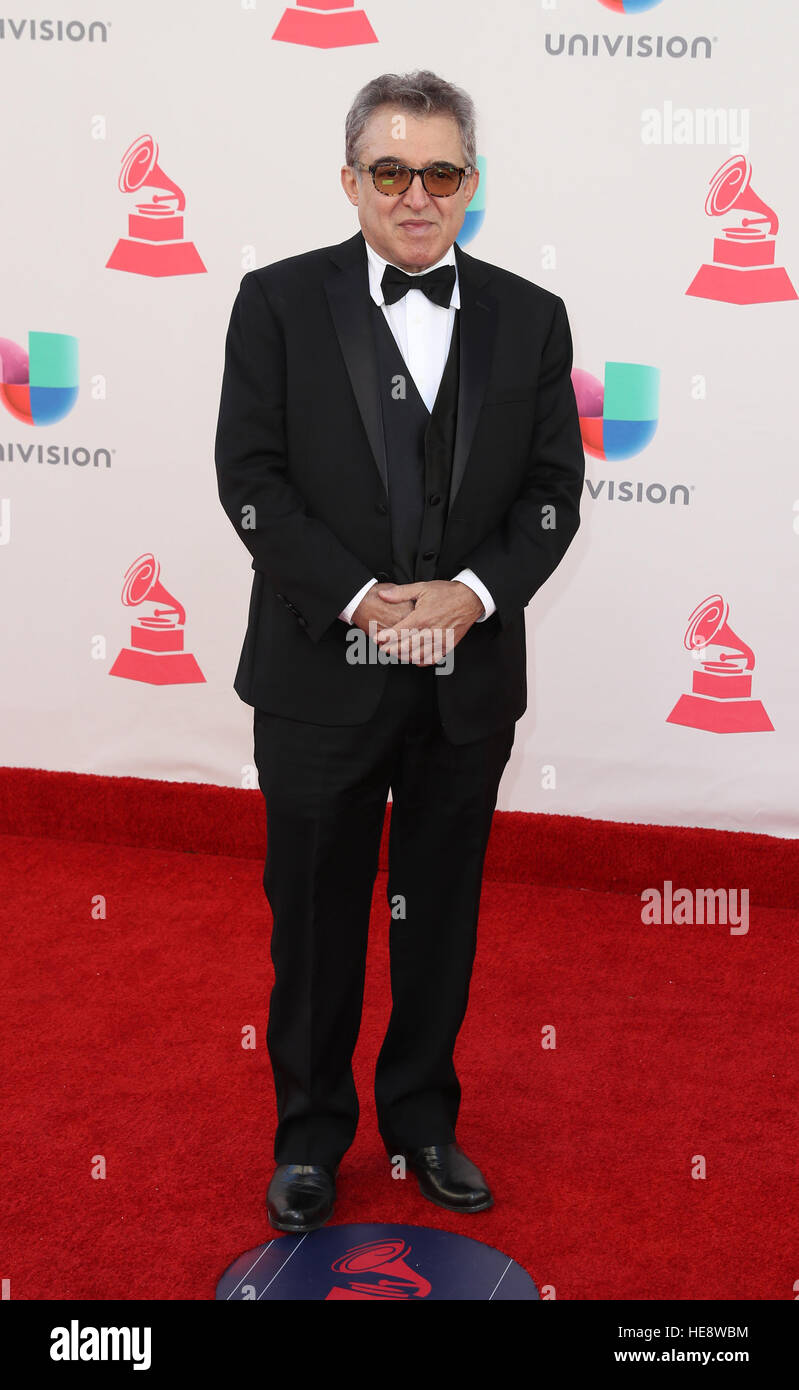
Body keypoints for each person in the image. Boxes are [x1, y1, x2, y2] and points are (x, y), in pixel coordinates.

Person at [214, 69, 585, 1233]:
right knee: (314, 917)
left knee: (441, 910)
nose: (415, 194)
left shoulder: (531, 316)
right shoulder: (273, 303)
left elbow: (549, 493)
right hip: (319, 676)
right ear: (350, 180)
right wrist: (368, 598)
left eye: (439, 172)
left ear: (469, 184)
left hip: (465, 685)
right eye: (389, 170)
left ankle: (422, 1120)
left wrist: (471, 596)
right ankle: (311, 1138)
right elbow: (252, 481)